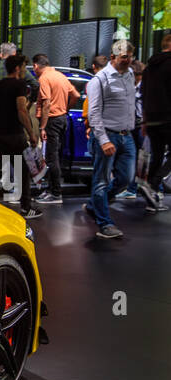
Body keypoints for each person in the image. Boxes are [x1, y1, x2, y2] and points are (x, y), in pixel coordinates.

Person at [85, 40, 142, 238]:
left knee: (126, 179)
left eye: (130, 56)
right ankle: (105, 223)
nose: (128, 60)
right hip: (107, 135)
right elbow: (93, 113)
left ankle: (95, 203)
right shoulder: (99, 80)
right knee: (100, 181)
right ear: (113, 57)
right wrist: (103, 140)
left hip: (127, 136)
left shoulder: (130, 75)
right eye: (124, 57)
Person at [0, 55, 41, 218]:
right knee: (25, 171)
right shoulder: (19, 85)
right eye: (24, 67)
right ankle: (26, 207)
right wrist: (31, 133)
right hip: (14, 135)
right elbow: (21, 110)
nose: (25, 70)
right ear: (17, 68)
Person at [30, 53, 79, 204]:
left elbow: (46, 104)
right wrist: (64, 110)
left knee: (52, 157)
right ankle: (51, 190)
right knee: (55, 155)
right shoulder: (60, 76)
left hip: (51, 121)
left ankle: (55, 193)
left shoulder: (44, 78)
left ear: (36, 66)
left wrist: (43, 126)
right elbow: (76, 95)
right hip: (62, 119)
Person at [140, 33, 171, 195]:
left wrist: (145, 121)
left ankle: (150, 193)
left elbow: (143, 95)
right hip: (168, 118)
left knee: (157, 155)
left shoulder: (149, 68)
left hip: (151, 120)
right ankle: (154, 183)